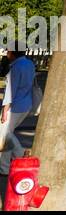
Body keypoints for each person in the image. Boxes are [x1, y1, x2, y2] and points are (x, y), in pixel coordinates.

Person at [1, 43, 37, 178]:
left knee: (5, 134)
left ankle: (21, 155)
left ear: (13, 52)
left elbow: (10, 91)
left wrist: (5, 110)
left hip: (14, 107)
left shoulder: (15, 68)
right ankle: (4, 167)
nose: (6, 53)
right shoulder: (29, 64)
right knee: (6, 135)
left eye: (8, 50)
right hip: (26, 104)